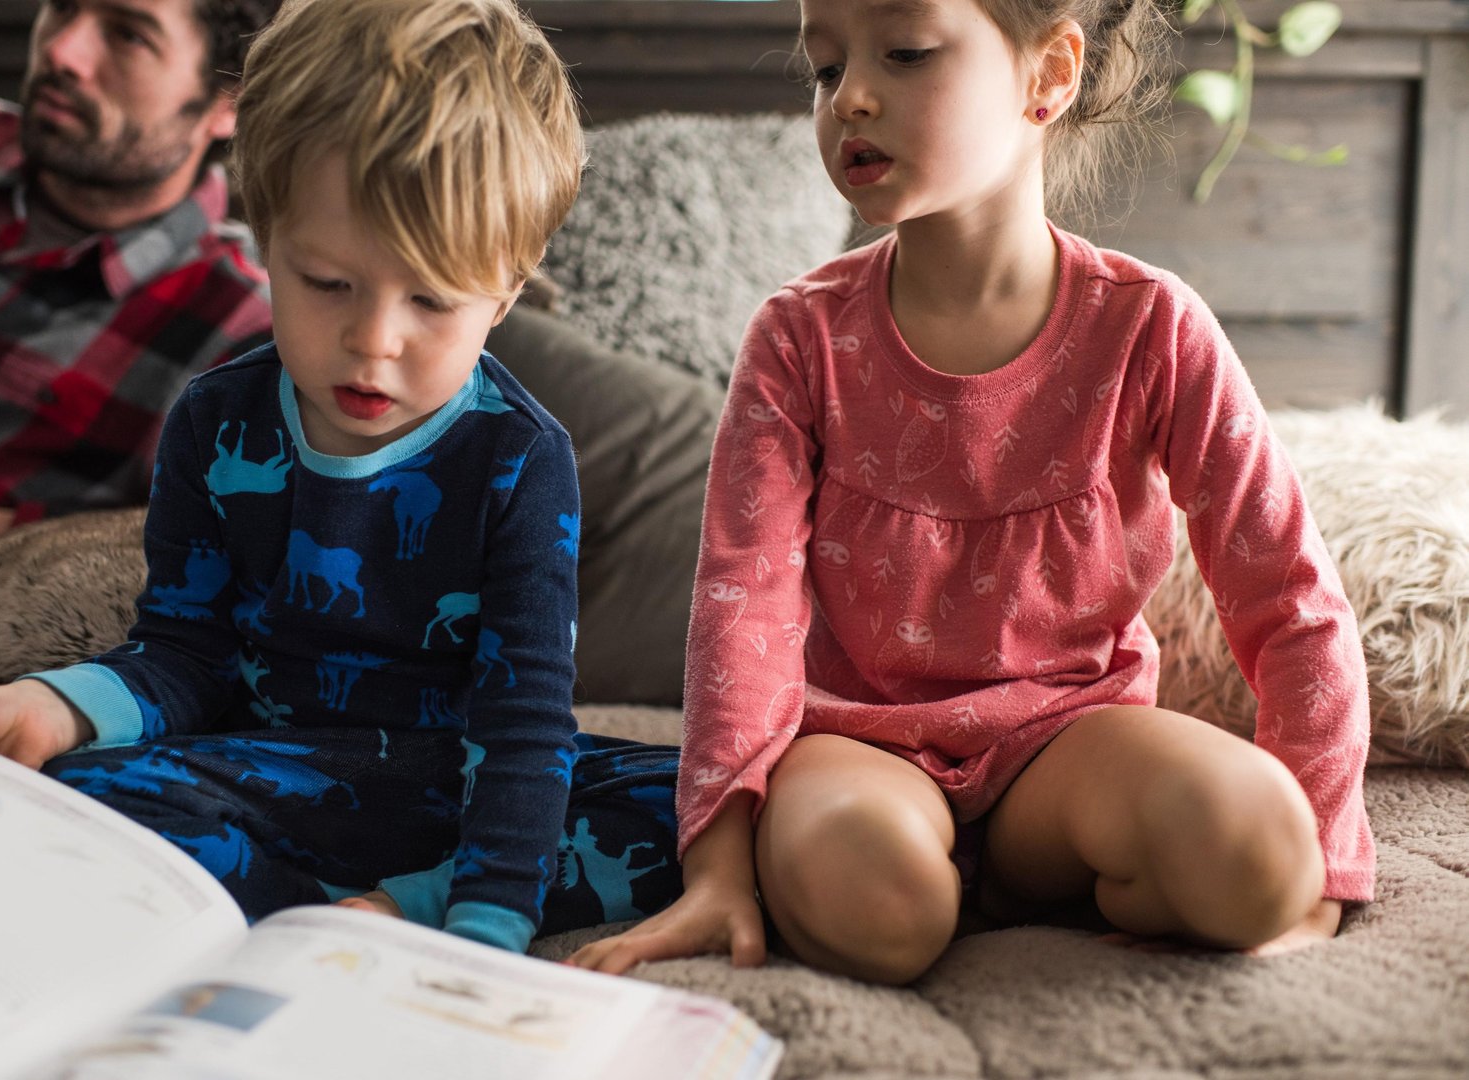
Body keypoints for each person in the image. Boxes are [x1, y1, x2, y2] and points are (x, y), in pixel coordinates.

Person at [569, 0, 1374, 985]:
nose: (849, 98)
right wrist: (716, 866)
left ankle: (1062, 872)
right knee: (883, 914)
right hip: (857, 745)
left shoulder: (1149, 325)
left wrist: (1321, 874)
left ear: (1047, 76)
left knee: (1258, 852)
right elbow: (741, 611)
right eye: (825, 70)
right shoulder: (797, 338)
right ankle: (971, 885)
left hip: (1068, 745)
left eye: (903, 53)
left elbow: (1288, 598)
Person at [0, 0, 683, 953]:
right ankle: (271, 896)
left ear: (508, 292)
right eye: (327, 283)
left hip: (461, 780)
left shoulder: (521, 457)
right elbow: (183, 657)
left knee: (685, 800)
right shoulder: (214, 418)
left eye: (431, 300)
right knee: (78, 797)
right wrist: (57, 703)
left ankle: (412, 896)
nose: (374, 339)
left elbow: (521, 726)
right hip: (267, 769)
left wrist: (477, 929)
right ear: (264, 238)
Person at [0, 0, 280, 581]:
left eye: (128, 36)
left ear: (228, 103)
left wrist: (27, 531)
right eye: (62, 8)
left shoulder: (238, 332)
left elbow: (217, 547)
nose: (61, 51)